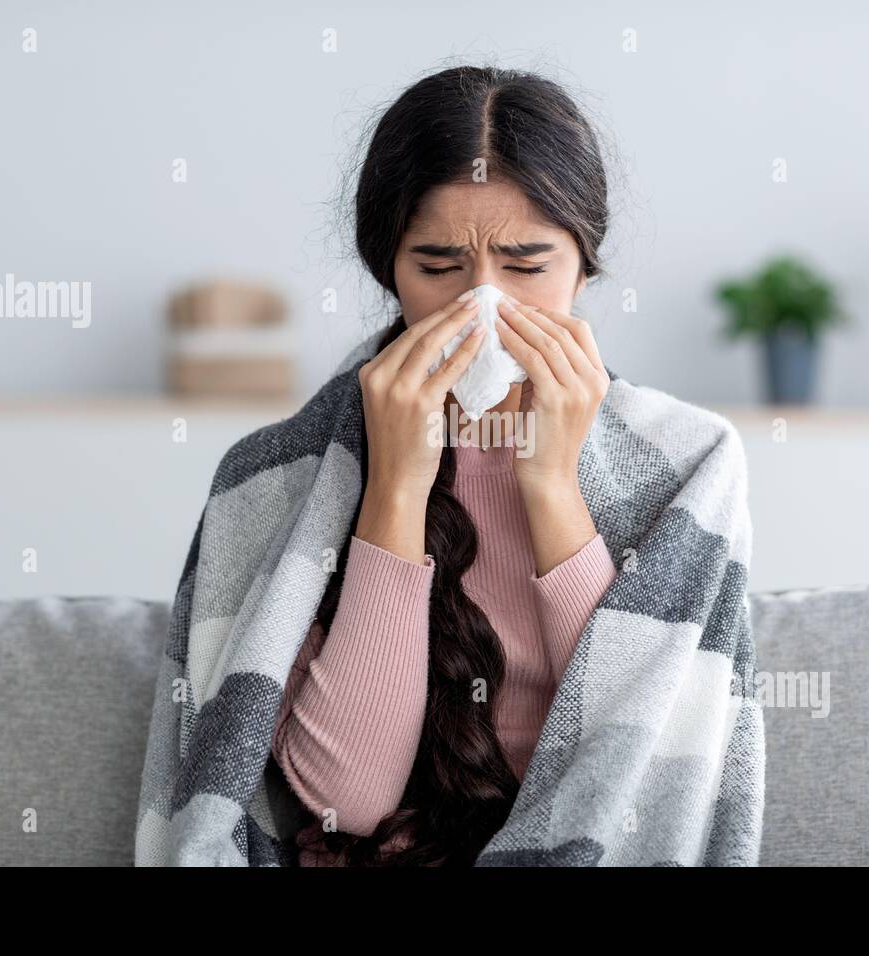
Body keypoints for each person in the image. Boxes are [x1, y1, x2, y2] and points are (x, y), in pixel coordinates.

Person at [270, 65, 622, 866]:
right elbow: (343, 803)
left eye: (527, 267)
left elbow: (636, 768)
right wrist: (396, 485)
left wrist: (549, 484)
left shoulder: (685, 467)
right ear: (387, 272)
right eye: (437, 268)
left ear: (585, 268)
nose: (482, 306)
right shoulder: (289, 474)